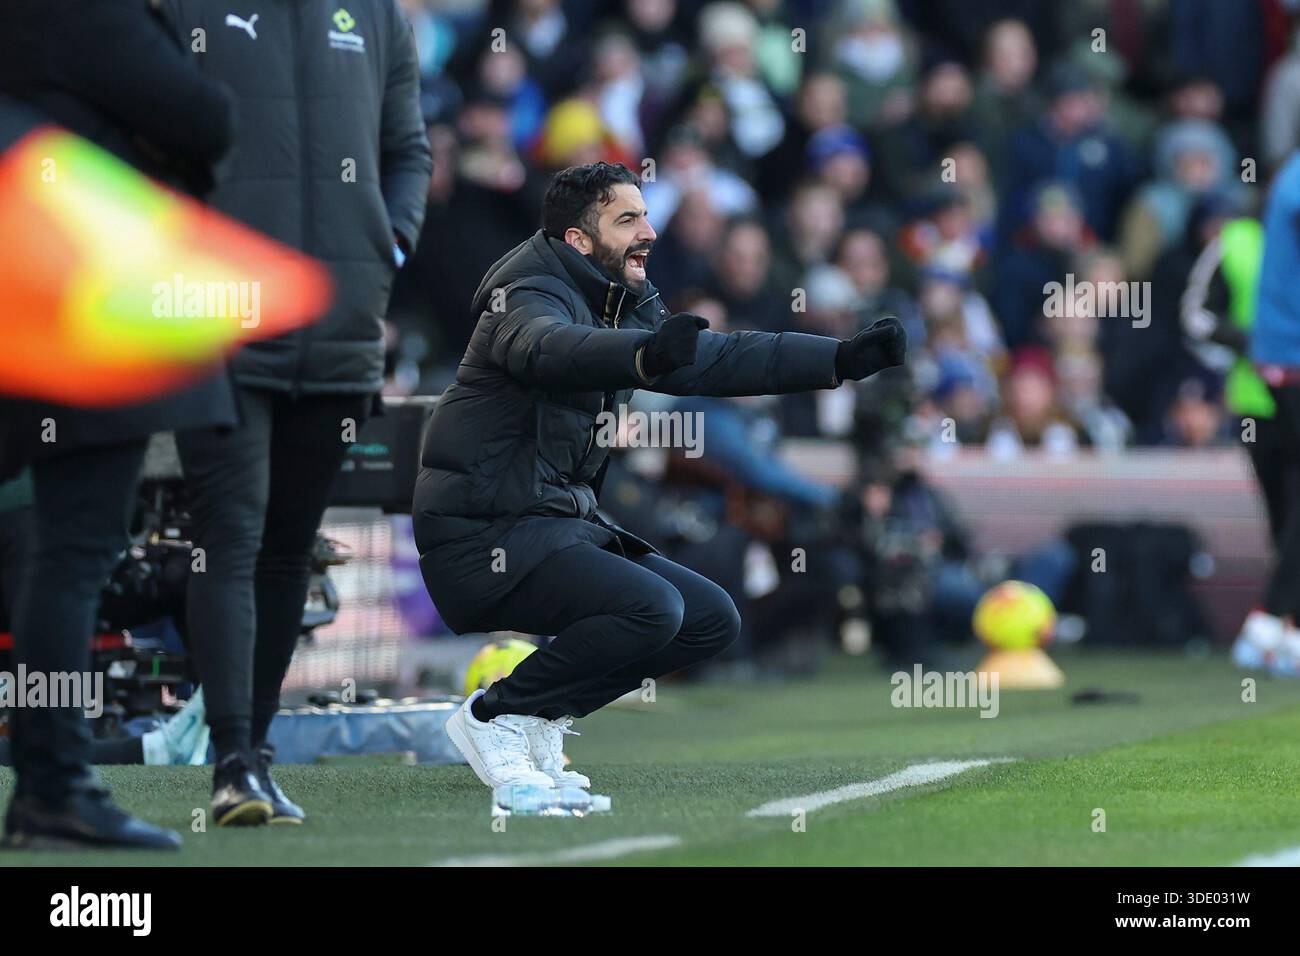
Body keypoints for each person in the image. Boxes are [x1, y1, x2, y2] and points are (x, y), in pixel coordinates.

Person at [414, 162, 906, 789]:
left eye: (646, 215)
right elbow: (550, 347)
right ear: (578, 239)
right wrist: (640, 355)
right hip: (483, 536)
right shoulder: (525, 292)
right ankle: (497, 715)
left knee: (709, 619)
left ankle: (541, 716)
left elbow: (712, 358)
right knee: (652, 607)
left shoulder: (619, 294)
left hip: (554, 526)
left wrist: (835, 359)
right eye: (628, 220)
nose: (649, 231)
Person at [158, 0, 433, 826]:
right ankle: (230, 758)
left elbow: (407, 149)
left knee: (286, 553)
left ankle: (256, 758)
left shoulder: (374, 16)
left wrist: (388, 244)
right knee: (230, 539)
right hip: (221, 322)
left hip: (340, 329)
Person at [0, 0, 237, 850]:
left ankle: (49, 779)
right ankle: (53, 784)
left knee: (60, 554)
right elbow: (205, 116)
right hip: (72, 293)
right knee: (72, 553)